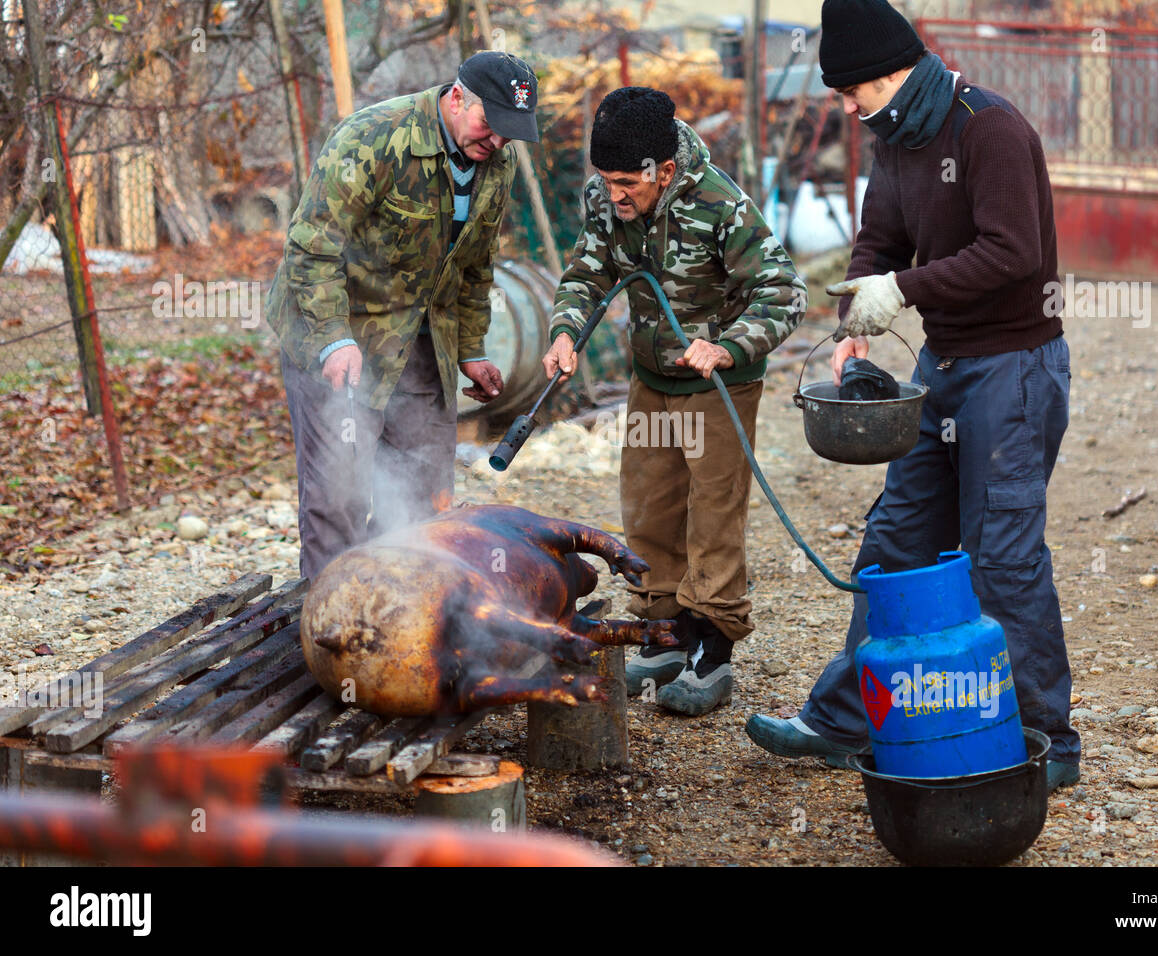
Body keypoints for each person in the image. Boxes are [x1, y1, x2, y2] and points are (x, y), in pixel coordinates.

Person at [745, 0, 1080, 790]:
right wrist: (859, 311)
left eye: (850, 91)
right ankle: (846, 720)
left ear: (887, 75)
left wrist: (902, 288)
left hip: (1014, 366)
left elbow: (1013, 250)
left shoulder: (989, 129)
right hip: (943, 367)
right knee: (893, 546)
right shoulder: (896, 137)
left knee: (1002, 561)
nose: (845, 107)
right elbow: (881, 241)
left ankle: (1046, 741)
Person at [542, 88, 806, 716]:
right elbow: (588, 272)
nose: (615, 196)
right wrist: (562, 331)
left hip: (717, 381)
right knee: (650, 504)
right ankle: (665, 631)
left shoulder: (720, 204)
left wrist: (728, 346)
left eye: (627, 183)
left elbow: (783, 291)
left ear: (663, 172)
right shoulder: (607, 198)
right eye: (605, 181)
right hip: (650, 377)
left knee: (713, 513)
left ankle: (712, 645)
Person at [268, 51, 539, 580]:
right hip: (334, 328)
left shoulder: (496, 164)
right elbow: (310, 249)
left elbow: (476, 264)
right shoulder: (371, 138)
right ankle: (332, 627)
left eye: (510, 132)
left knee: (425, 496)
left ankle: (403, 622)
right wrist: (331, 339)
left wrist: (471, 349)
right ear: (458, 97)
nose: (498, 143)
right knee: (337, 498)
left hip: (419, 339)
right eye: (491, 125)